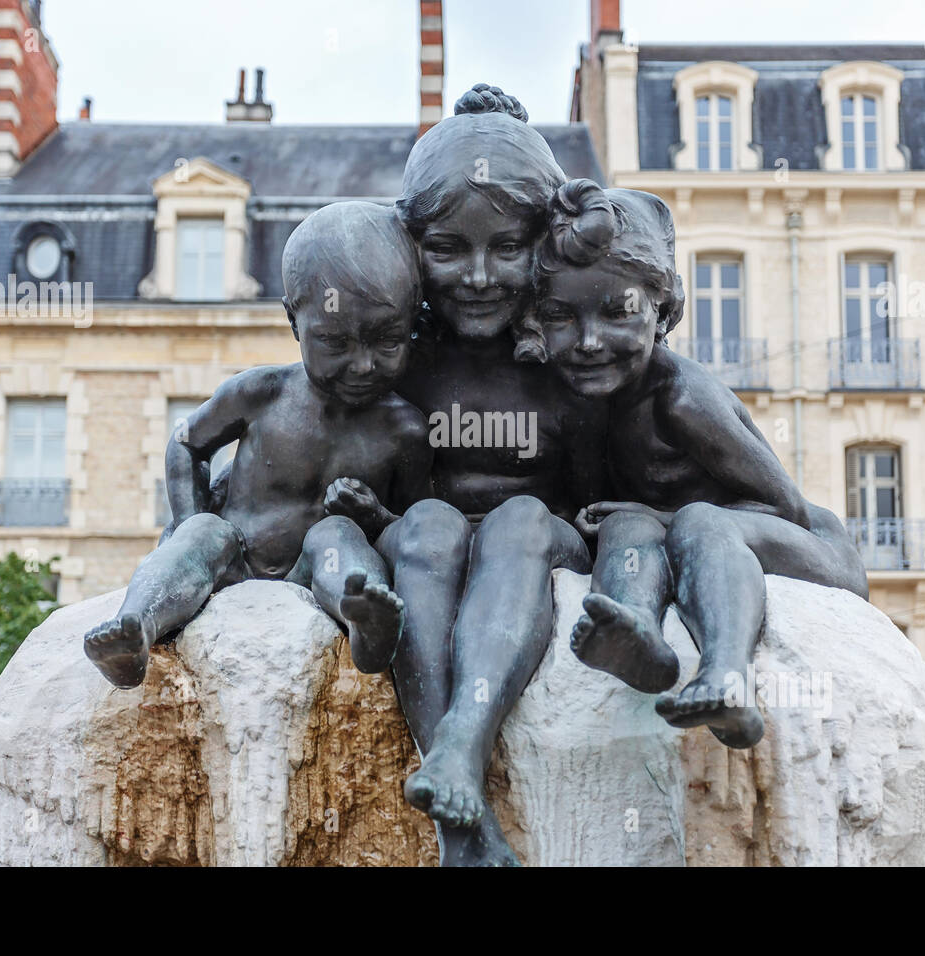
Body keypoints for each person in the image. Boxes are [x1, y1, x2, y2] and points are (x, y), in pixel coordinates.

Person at [341, 84, 605, 867]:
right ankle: (464, 819)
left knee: (521, 520)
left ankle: (460, 739)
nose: (481, 276)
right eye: (448, 249)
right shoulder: (397, 359)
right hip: (429, 543)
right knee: (425, 525)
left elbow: (606, 487)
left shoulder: (573, 354)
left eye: (507, 247)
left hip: (540, 543)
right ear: (410, 247)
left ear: (547, 242)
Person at [534, 179, 868, 748]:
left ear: (664, 311)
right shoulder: (587, 403)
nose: (589, 341)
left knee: (695, 522)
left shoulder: (682, 398)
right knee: (626, 524)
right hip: (700, 537)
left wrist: (663, 518)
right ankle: (634, 631)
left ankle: (727, 679)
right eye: (563, 317)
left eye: (618, 313)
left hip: (808, 547)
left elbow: (783, 506)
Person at [83, 201, 431, 688]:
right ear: (294, 323)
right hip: (233, 562)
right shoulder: (261, 392)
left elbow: (414, 528)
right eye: (335, 343)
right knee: (208, 535)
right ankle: (136, 627)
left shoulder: (405, 431)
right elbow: (187, 444)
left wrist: (375, 516)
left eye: (386, 343)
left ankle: (364, 619)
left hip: (313, 573)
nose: (363, 365)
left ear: (412, 325)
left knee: (336, 537)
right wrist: (190, 523)